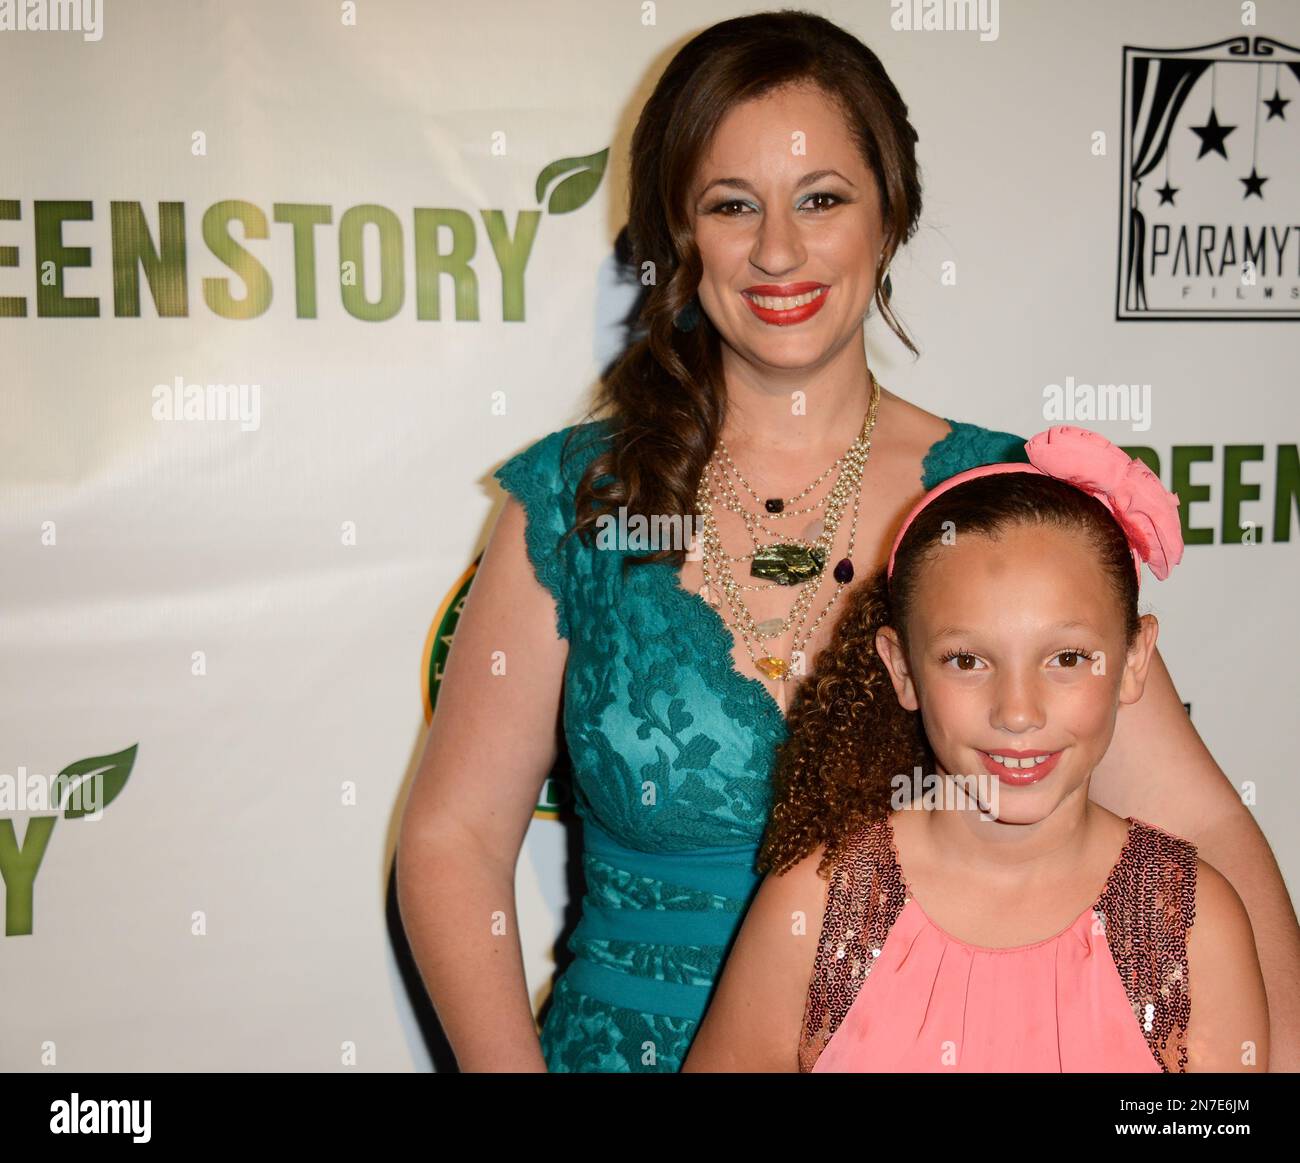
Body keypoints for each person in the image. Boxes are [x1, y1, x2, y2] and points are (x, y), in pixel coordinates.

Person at [394, 11, 1298, 1072]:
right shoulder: (570, 500)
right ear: (677, 233)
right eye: (732, 205)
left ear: (890, 213)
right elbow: (451, 838)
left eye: (821, 199)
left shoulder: (1001, 499)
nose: (778, 249)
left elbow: (1201, 822)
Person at [683, 426, 1270, 1072]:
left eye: (1066, 657)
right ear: (902, 670)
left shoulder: (1192, 925)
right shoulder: (817, 907)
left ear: (1135, 660)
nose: (1017, 710)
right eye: (967, 659)